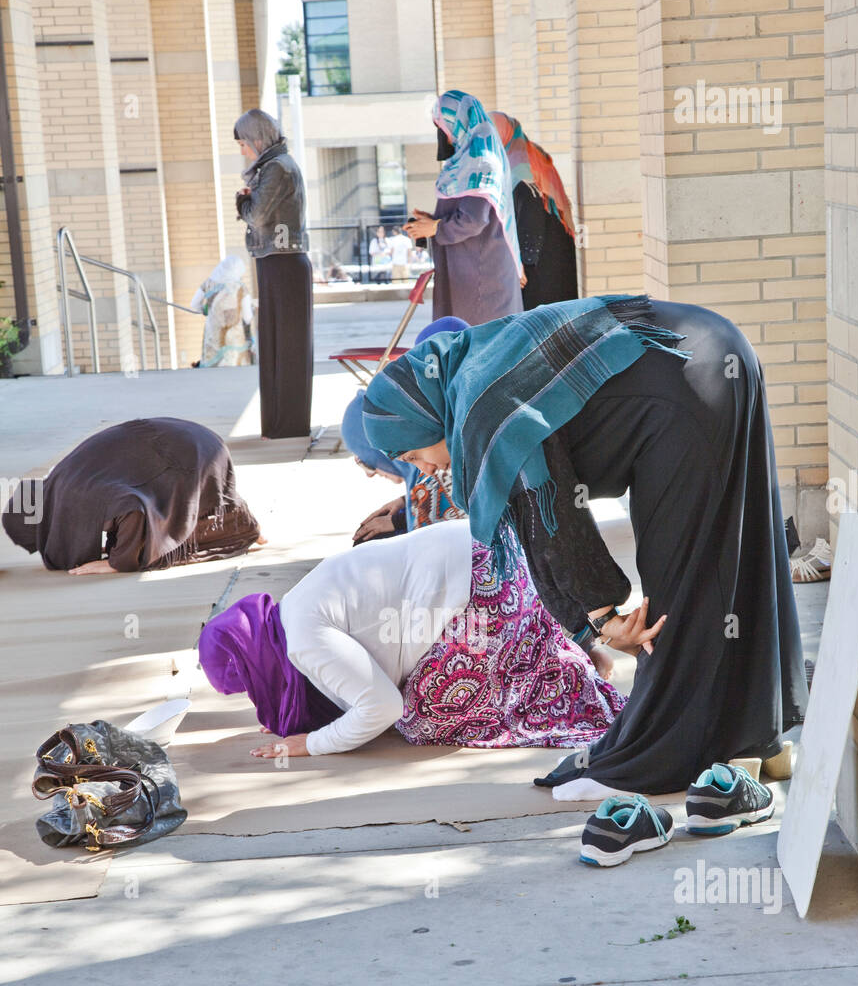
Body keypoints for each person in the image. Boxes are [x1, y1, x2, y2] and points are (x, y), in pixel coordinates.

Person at [361, 294, 809, 798]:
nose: (422, 467)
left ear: (422, 419)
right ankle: (754, 736)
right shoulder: (477, 364)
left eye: (413, 452)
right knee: (734, 549)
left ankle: (657, 757)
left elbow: (555, 522)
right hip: (716, 348)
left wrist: (605, 616)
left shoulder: (481, 413)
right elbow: (546, 518)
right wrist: (594, 621)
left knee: (678, 588)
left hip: (685, 388)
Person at [197, 519, 624, 758]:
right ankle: (571, 664)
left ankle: (571, 686)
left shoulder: (303, 639)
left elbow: (382, 707)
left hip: (479, 597)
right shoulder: (295, 604)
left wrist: (310, 743)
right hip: (498, 553)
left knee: (422, 720)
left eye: (250, 686)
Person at [2, 418, 263, 575]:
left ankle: (238, 530)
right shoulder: (59, 480)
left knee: (156, 531)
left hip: (184, 455)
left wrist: (118, 562)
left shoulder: (75, 499)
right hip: (194, 438)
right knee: (169, 495)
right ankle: (243, 527)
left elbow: (132, 509)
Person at [343, 316, 470, 543]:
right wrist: (406, 506)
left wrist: (405, 516)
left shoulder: (449, 457)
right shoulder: (478, 424)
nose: (428, 470)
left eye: (410, 456)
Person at [404, 90, 523, 326]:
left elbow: (474, 221)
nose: (443, 136)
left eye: (443, 127)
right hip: (470, 271)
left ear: (457, 124)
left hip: (482, 279)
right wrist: (432, 221)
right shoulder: (469, 161)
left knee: (479, 349)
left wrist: (436, 228)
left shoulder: (481, 162)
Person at [234, 109, 312, 441]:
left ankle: (286, 426)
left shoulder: (277, 168)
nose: (242, 150)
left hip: (283, 263)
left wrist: (242, 203)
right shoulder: (276, 165)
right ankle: (279, 426)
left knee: (287, 349)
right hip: (278, 261)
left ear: (257, 140)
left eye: (243, 143)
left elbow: (259, 216)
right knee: (278, 347)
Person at [491, 112, 579, 309]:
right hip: (555, 251)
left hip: (541, 261)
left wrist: (520, 265)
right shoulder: (530, 155)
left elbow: (531, 217)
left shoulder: (520, 169)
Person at [190, 255, 254, 367]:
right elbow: (247, 317)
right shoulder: (241, 288)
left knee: (213, 375)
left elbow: (194, 304)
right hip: (234, 340)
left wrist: (205, 310)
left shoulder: (208, 283)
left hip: (213, 337)